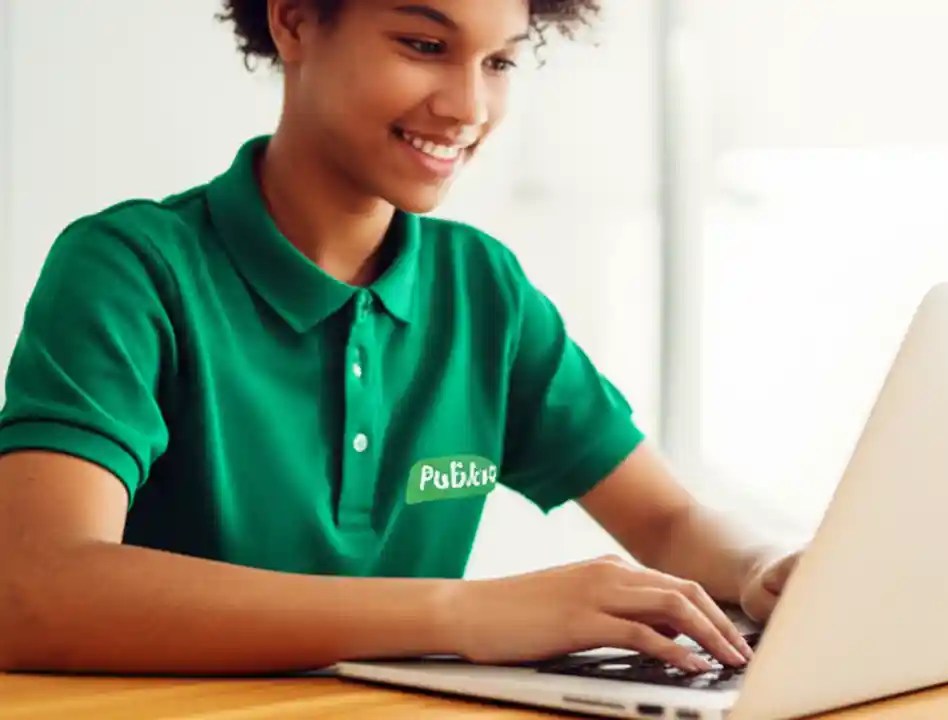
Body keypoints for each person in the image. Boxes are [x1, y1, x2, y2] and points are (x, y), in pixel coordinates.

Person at [0, 0, 803, 677]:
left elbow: (666, 523)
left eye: (499, 63)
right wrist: (464, 613)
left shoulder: (482, 288)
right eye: (425, 47)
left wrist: (769, 567)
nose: (468, 107)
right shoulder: (132, 269)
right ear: (294, 21)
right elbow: (34, 589)